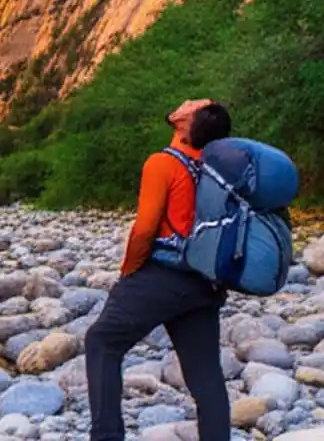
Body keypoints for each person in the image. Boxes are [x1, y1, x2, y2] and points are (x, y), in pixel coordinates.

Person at [84, 99, 234, 441]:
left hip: (163, 276)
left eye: (195, 104)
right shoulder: (219, 170)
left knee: (102, 342)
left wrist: (129, 270)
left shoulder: (162, 163)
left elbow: (145, 228)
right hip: (205, 282)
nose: (186, 102)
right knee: (205, 378)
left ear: (185, 124)